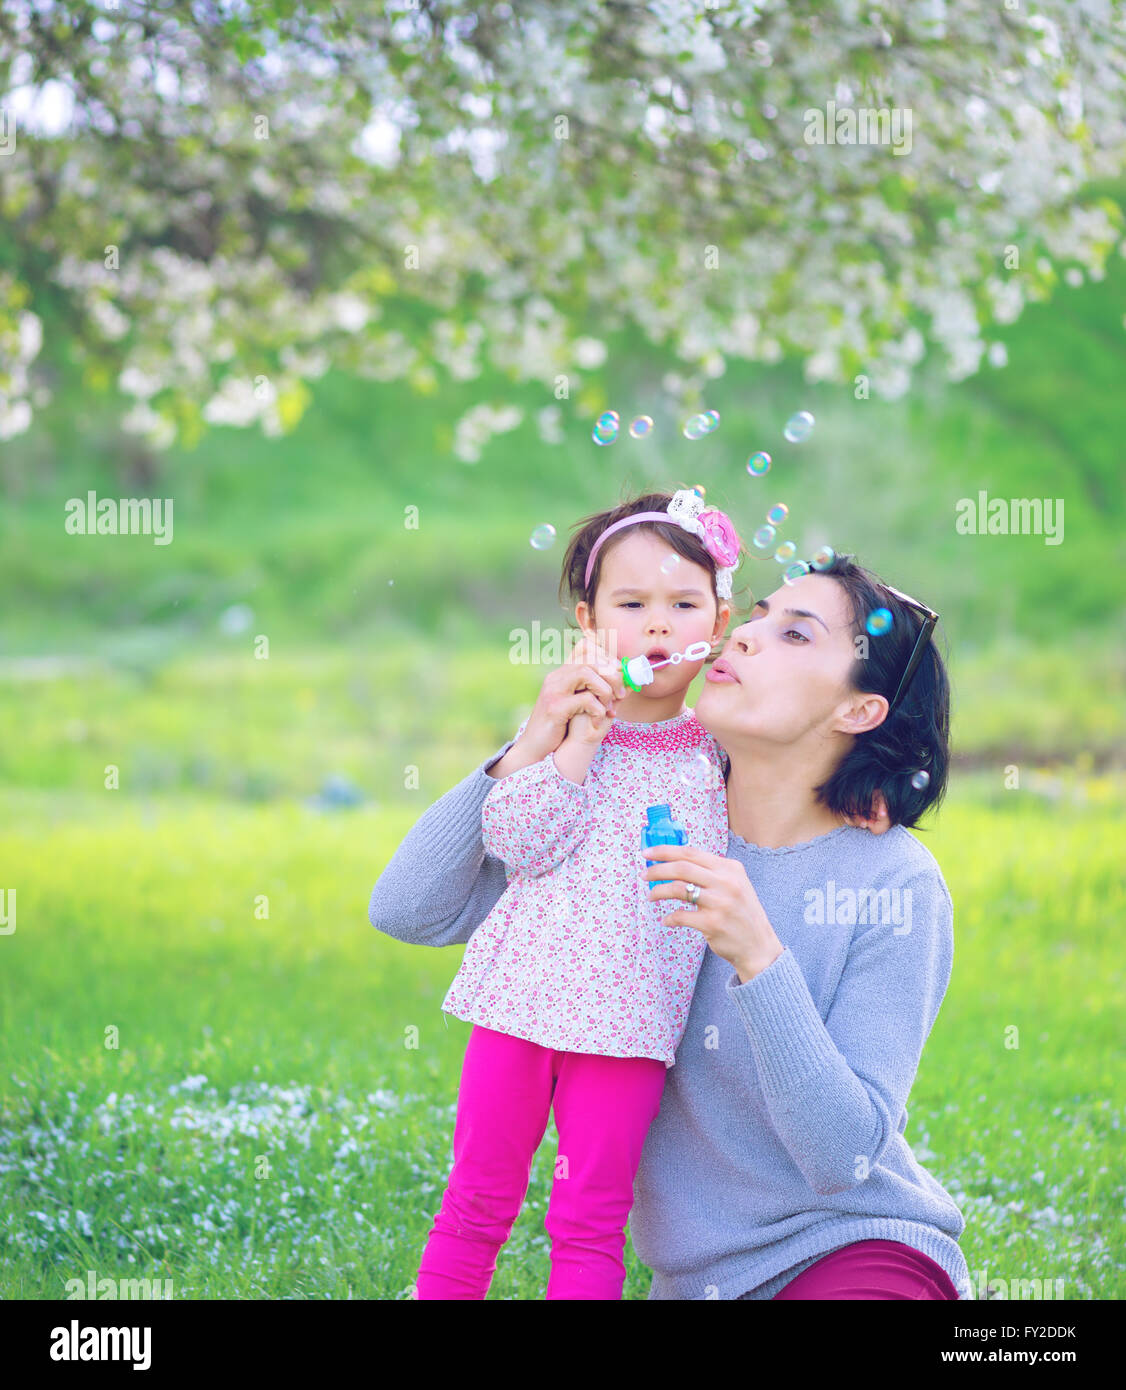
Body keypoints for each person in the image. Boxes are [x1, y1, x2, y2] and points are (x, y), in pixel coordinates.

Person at [371, 538, 971, 1301]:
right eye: (755, 616)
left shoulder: (893, 883)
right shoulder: (623, 796)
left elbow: (843, 1158)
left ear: (859, 708)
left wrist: (760, 956)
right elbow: (406, 909)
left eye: (795, 634)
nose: (747, 634)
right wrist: (531, 748)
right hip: (698, 1285)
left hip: (853, 1253)